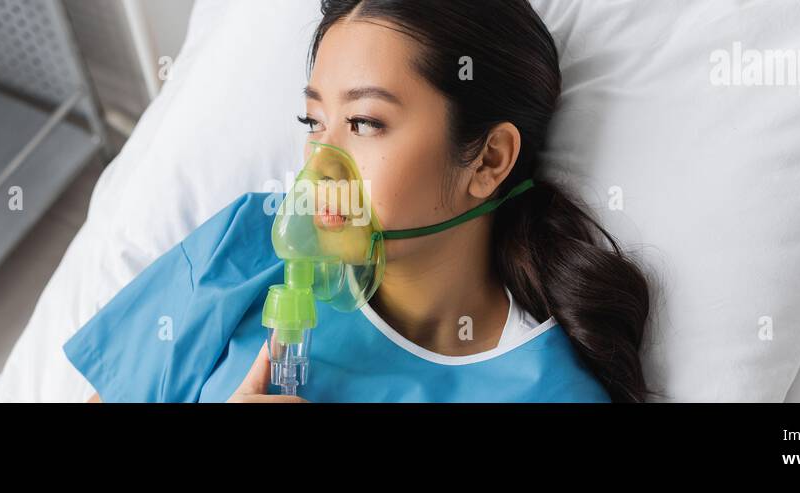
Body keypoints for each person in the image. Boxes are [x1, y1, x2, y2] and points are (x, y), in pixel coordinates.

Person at [67, 0, 652, 403]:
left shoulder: (547, 391)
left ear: (489, 159)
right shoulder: (245, 248)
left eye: (366, 122)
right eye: (314, 120)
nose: (323, 164)